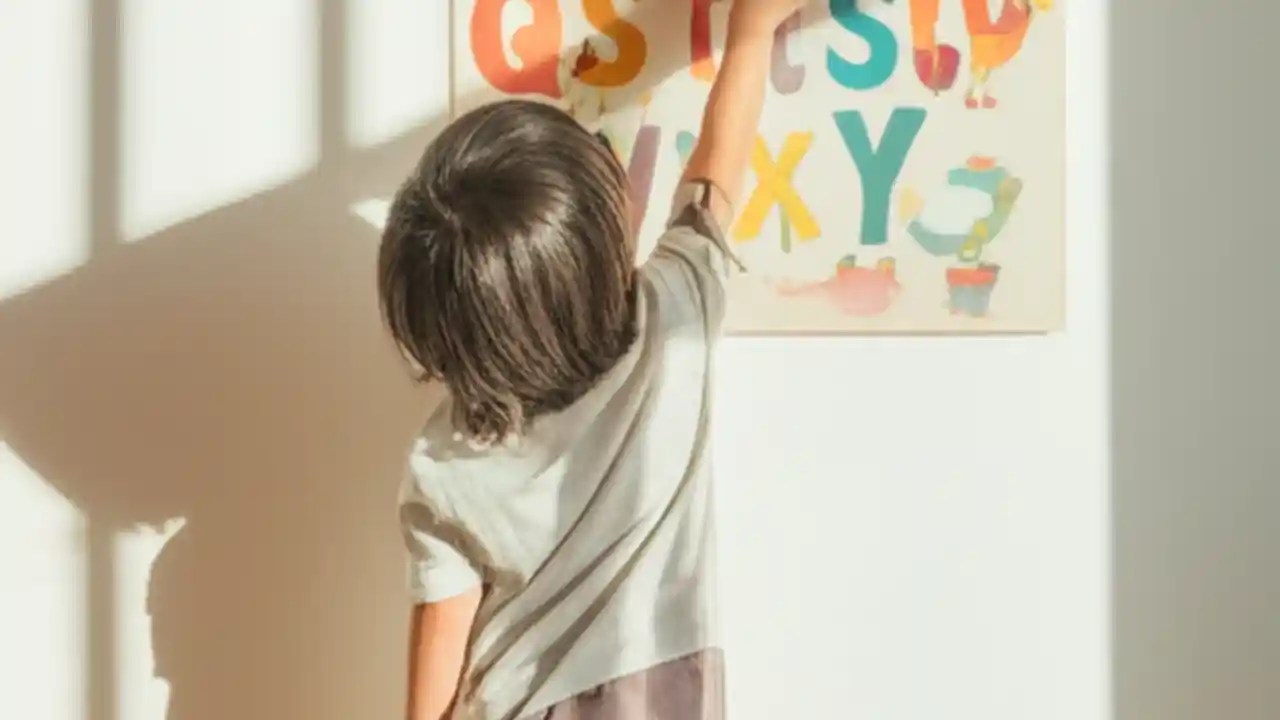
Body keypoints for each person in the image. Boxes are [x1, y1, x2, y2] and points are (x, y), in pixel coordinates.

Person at [377, 2, 807, 718]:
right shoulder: (673, 325)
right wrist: (752, 30)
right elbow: (715, 178)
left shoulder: (445, 460)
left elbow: (434, 695)